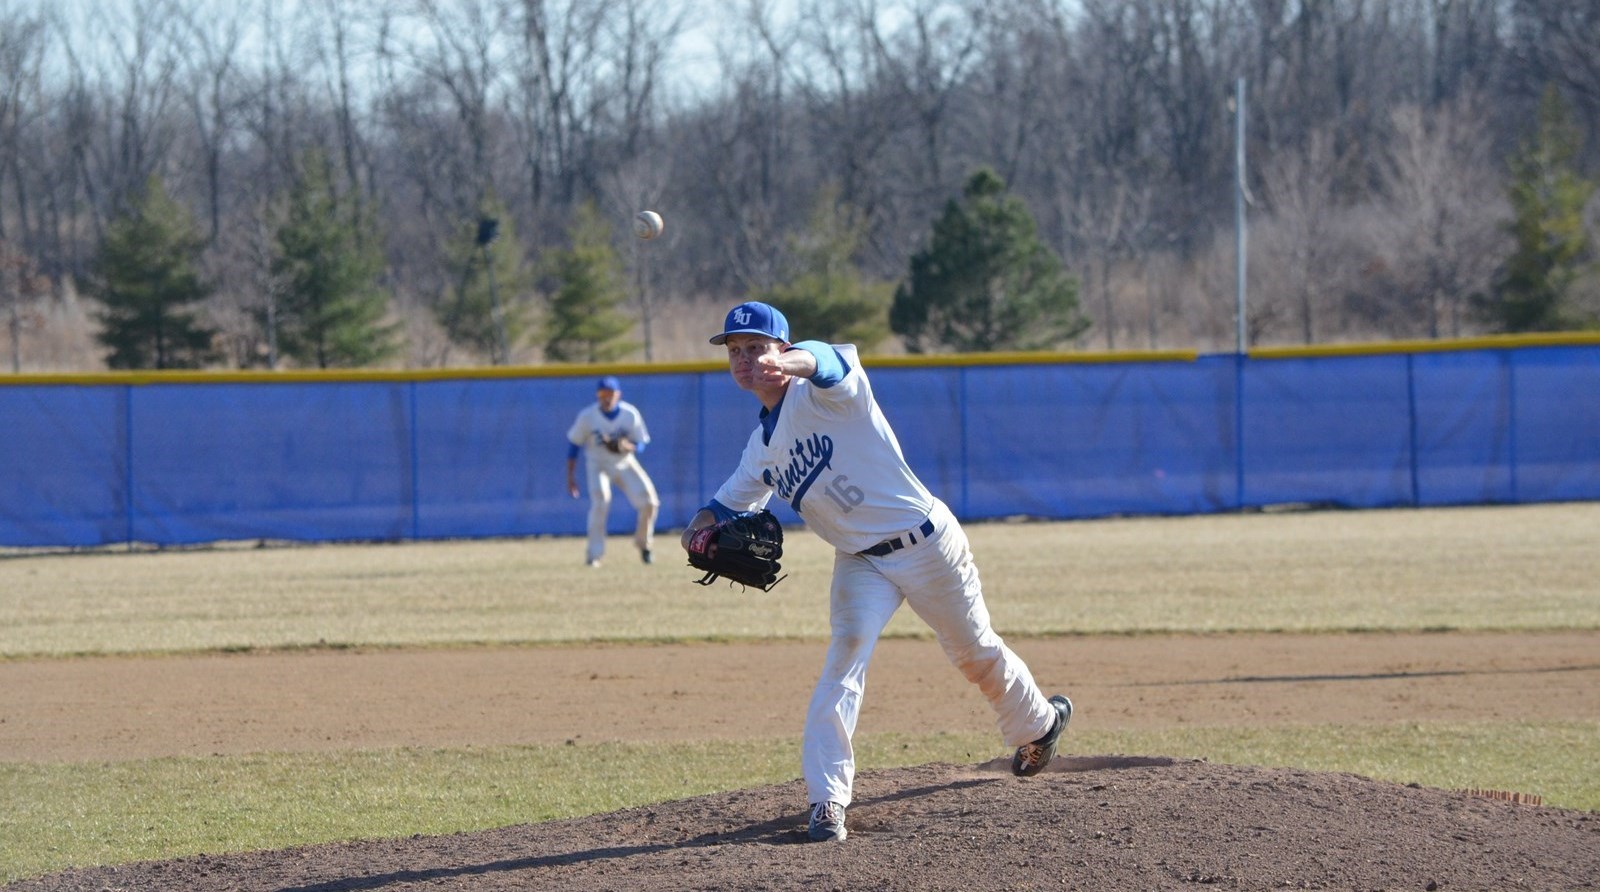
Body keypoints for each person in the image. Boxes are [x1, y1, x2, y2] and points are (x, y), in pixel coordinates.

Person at [680, 301, 1072, 843]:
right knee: (844, 658)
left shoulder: (829, 393)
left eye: (757, 348)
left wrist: (792, 364)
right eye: (736, 351)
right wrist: (695, 533)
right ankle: (827, 802)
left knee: (973, 652)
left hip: (926, 544)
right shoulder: (760, 450)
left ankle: (1040, 725)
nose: (746, 360)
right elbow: (720, 508)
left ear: (783, 349)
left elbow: (828, 360)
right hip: (860, 561)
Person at [566, 375, 660, 567]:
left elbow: (641, 443)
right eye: (602, 393)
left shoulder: (629, 413)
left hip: (624, 461)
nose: (606, 398)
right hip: (597, 464)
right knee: (601, 501)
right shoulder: (588, 416)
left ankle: (644, 545)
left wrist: (628, 446)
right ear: (597, 395)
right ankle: (594, 555)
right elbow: (574, 446)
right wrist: (571, 477)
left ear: (618, 395)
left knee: (650, 501)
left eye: (610, 393)